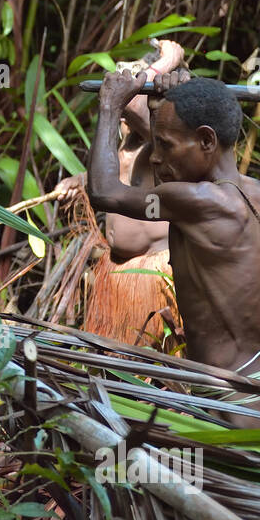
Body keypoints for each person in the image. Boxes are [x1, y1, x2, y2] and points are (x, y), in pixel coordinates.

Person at [84, 67, 260, 428]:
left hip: (233, 411)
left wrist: (109, 106)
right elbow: (181, 154)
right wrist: (159, 110)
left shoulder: (198, 202)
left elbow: (103, 191)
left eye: (165, 146)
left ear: (208, 141)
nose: (157, 158)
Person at [77, 40, 183, 346]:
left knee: (153, 374)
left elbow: (130, 104)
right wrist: (76, 181)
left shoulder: (162, 143)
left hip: (154, 277)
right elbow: (108, 175)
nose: (124, 89)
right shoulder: (126, 145)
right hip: (117, 276)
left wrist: (167, 62)